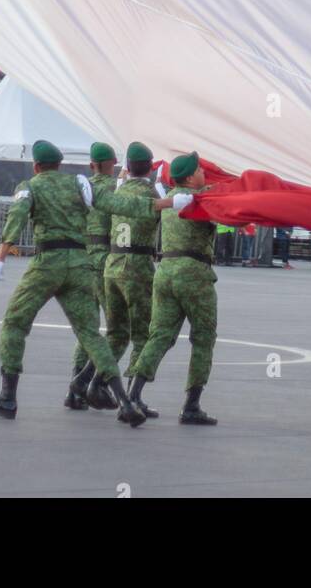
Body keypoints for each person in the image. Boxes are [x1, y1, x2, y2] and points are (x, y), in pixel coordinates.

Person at [0, 138, 179, 424]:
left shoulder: (30, 187)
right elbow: (119, 204)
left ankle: (9, 396)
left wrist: (1, 256)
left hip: (49, 263)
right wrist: (167, 201)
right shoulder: (82, 185)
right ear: (60, 164)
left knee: (15, 323)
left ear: (36, 166)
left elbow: (18, 214)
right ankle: (124, 401)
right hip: (82, 263)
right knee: (92, 333)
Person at [128, 151, 218, 426]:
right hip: (193, 273)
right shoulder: (199, 200)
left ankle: (132, 395)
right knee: (203, 338)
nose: (204, 173)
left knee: (159, 336)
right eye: (200, 169)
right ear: (190, 178)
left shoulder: (168, 200)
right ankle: (191, 405)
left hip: (165, 272)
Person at [99, 141, 161, 417]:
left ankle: (90, 382)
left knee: (115, 333)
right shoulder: (152, 192)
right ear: (150, 168)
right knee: (142, 335)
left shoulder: (118, 189)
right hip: (137, 268)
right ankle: (133, 397)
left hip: (112, 265)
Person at [67, 142, 119, 404]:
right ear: (114, 162)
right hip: (106, 259)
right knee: (116, 329)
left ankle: (74, 389)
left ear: (91, 165)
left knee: (87, 328)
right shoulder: (113, 189)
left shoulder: (79, 189)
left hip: (80, 258)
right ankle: (91, 382)